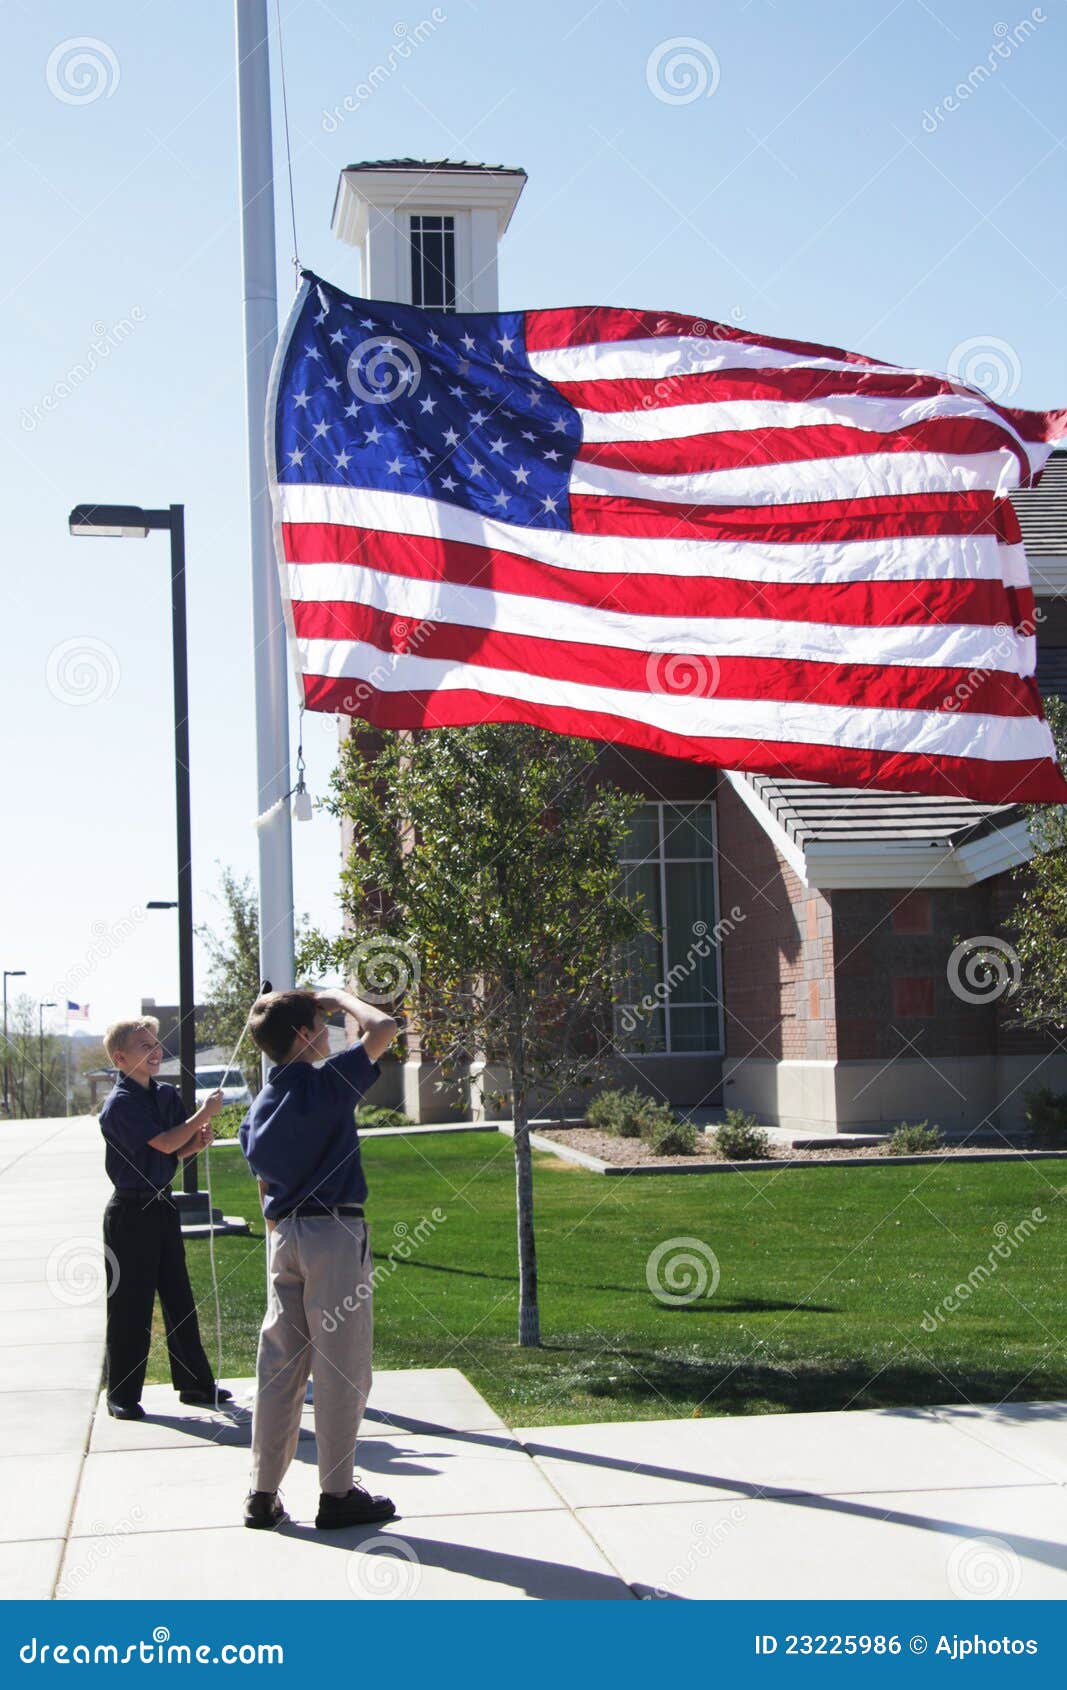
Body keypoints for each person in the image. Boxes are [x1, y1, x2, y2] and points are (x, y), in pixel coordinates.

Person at [239, 986, 398, 1531]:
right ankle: (336, 1493)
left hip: (284, 1238)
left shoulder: (260, 1106)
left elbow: (264, 1188)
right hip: (334, 1233)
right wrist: (338, 995)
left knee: (280, 1369)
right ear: (305, 1035)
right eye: (322, 1023)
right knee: (341, 1366)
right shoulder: (325, 1084)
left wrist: (283, 1241)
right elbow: (385, 1028)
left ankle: (263, 1493)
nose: (330, 1029)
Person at [99, 1015, 232, 1420]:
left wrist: (197, 1140)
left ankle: (194, 1384)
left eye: (156, 1042)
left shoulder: (165, 1095)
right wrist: (200, 1118)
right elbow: (163, 1142)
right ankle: (121, 1393)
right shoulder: (119, 1104)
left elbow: (176, 1150)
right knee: (130, 1304)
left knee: (178, 1295)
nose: (155, 1050)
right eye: (144, 1045)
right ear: (121, 1058)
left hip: (161, 1205)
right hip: (129, 1212)